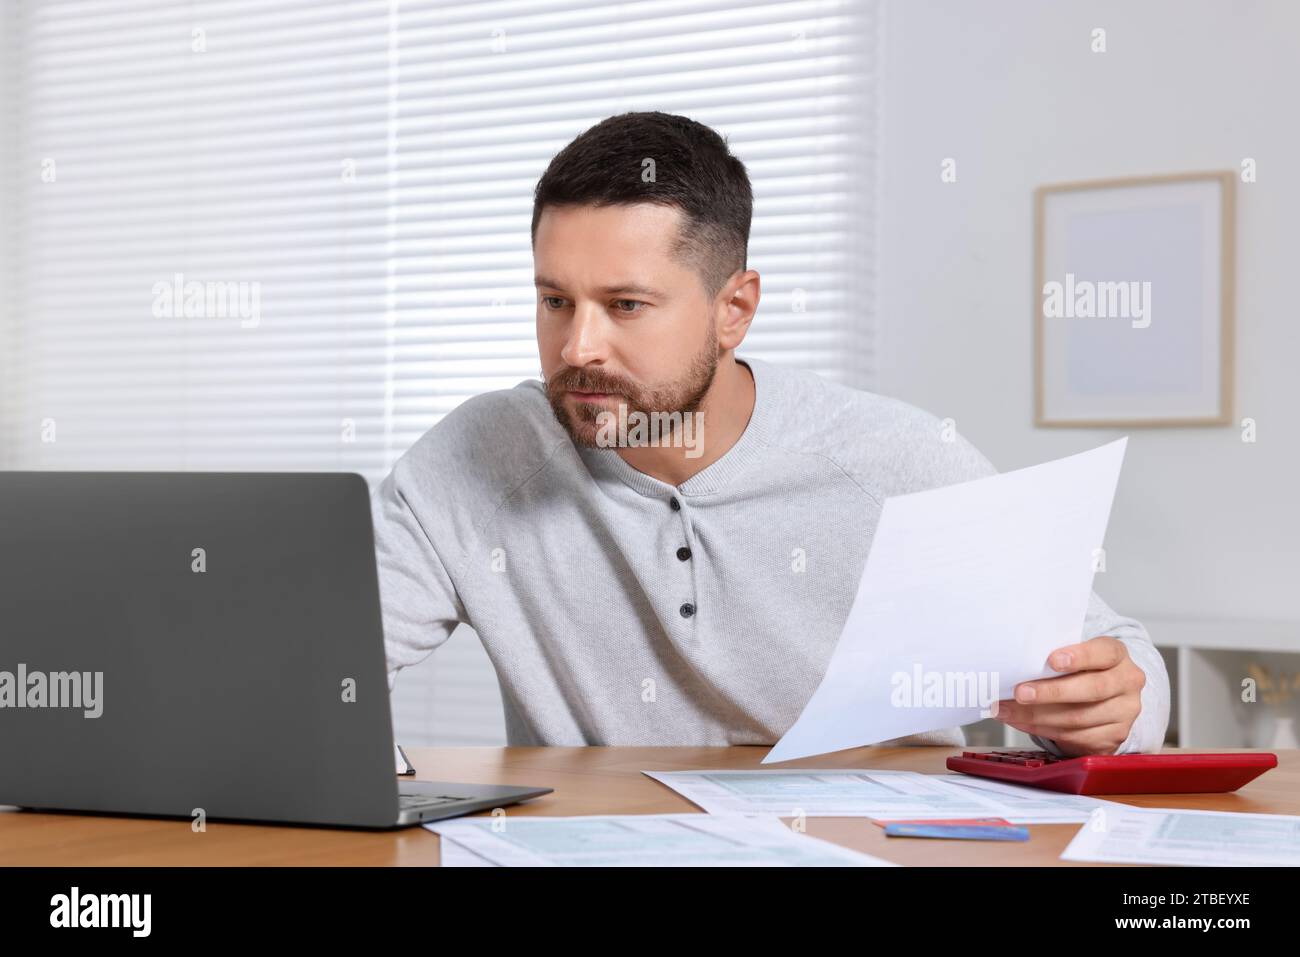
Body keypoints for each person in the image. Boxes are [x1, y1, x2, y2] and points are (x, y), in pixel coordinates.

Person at [372, 111, 1169, 757]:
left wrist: (1111, 704)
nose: (578, 346)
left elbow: (1119, 663)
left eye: (625, 305)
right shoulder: (481, 457)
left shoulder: (892, 461)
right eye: (555, 302)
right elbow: (316, 663)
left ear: (735, 310)